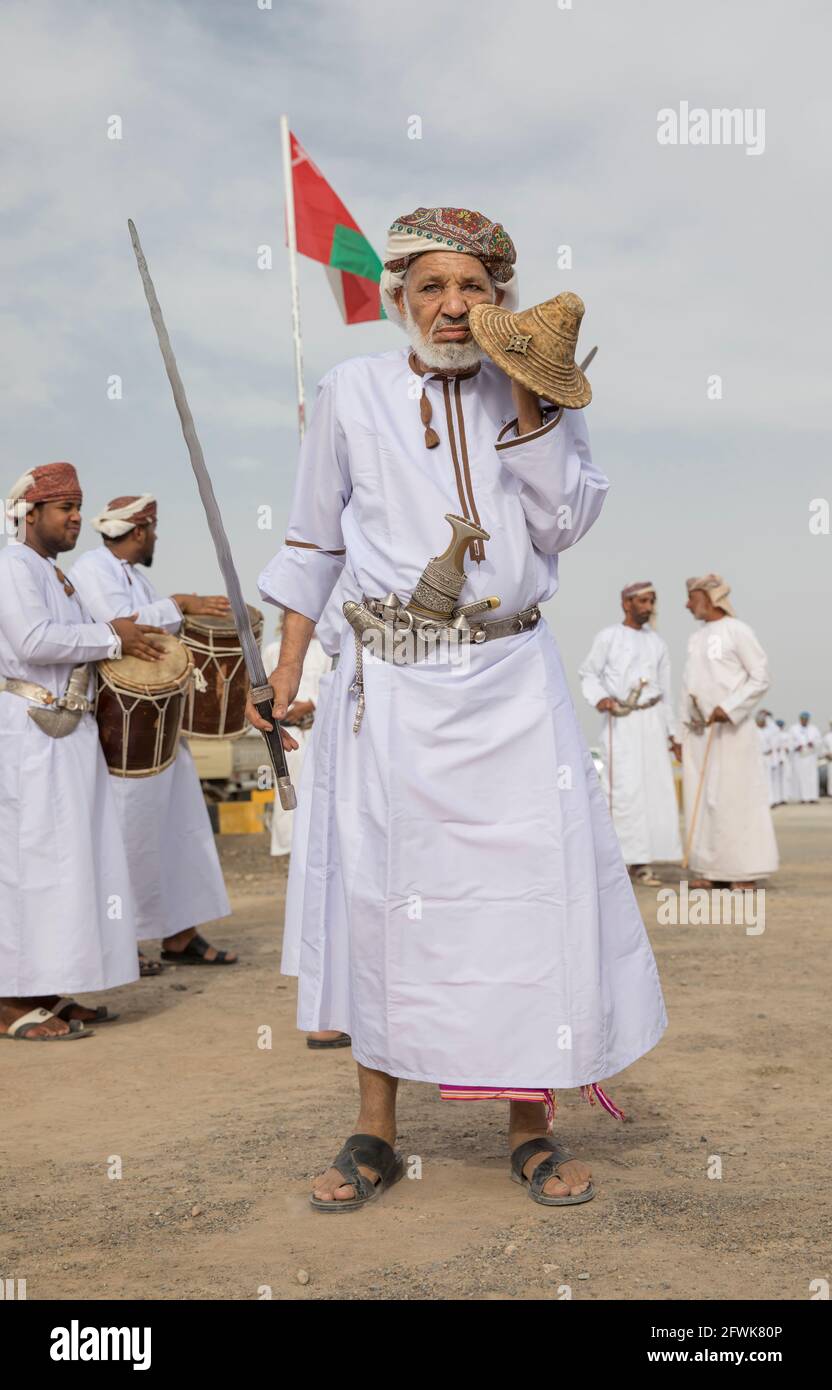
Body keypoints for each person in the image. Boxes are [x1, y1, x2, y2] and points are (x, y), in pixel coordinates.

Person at [250, 205, 667, 1211]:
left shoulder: (537, 397)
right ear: (396, 297)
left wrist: (531, 405)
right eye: (430, 287)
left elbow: (563, 522)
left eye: (473, 288)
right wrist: (286, 670)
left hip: (513, 682)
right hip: (393, 684)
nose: (450, 305)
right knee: (387, 903)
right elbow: (313, 542)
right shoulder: (350, 391)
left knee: (530, 904)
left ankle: (530, 1128)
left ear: (500, 302)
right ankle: (373, 1129)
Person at [0, 464, 160, 1040]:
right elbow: (34, 640)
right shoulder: (13, 565)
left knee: (65, 866)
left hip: (65, 732)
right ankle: (8, 1002)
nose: (74, 517)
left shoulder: (51, 572)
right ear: (30, 513)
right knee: (28, 863)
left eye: (77, 506)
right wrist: (113, 635)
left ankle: (42, 987)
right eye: (63, 507)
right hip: (28, 733)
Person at [69, 494, 237, 972]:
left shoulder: (135, 577)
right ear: (140, 530)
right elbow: (121, 628)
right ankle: (125, 941)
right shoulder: (93, 568)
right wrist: (181, 603)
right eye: (155, 529)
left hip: (161, 722)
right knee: (131, 835)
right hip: (124, 732)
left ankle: (179, 933)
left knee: (179, 828)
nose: (157, 538)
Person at [278, 581, 352, 1050]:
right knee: (332, 858)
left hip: (425, 689)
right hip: (352, 697)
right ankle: (330, 1008)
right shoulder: (321, 565)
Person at [579, 581, 682, 885]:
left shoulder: (658, 644)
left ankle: (644, 862)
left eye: (652, 602)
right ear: (626, 604)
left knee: (653, 790)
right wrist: (601, 698)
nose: (649, 608)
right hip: (621, 722)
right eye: (643, 602)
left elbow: (666, 692)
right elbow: (588, 672)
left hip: (651, 720)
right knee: (624, 790)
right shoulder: (608, 637)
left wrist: (673, 735)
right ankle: (618, 861)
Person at [679, 574, 778, 889]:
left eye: (692, 599)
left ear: (709, 599)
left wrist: (731, 707)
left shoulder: (739, 631)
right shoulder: (696, 638)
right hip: (700, 733)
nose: (687, 605)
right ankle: (709, 870)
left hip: (733, 733)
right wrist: (683, 728)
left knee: (736, 798)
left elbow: (760, 677)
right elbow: (688, 686)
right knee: (704, 798)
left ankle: (742, 873)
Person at [262, 609, 331, 858]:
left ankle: (319, 850)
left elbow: (332, 683)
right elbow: (264, 691)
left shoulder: (324, 650)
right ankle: (290, 853)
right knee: (288, 792)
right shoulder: (272, 651)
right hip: (287, 736)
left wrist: (310, 703)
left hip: (317, 731)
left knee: (321, 793)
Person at [787, 712, 821, 803]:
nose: (804, 720)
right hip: (799, 756)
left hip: (810, 756)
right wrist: (796, 746)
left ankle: (812, 797)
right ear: (800, 719)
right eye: (803, 719)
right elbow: (790, 741)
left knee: (812, 777)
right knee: (800, 777)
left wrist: (813, 743)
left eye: (806, 719)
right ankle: (801, 797)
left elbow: (819, 740)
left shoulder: (814, 729)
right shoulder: (793, 729)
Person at [755, 710, 778, 807]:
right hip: (757, 758)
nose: (763, 722)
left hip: (767, 757)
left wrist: (768, 715)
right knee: (757, 780)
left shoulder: (769, 731)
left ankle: (770, 801)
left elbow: (773, 746)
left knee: (768, 780)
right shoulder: (754, 731)